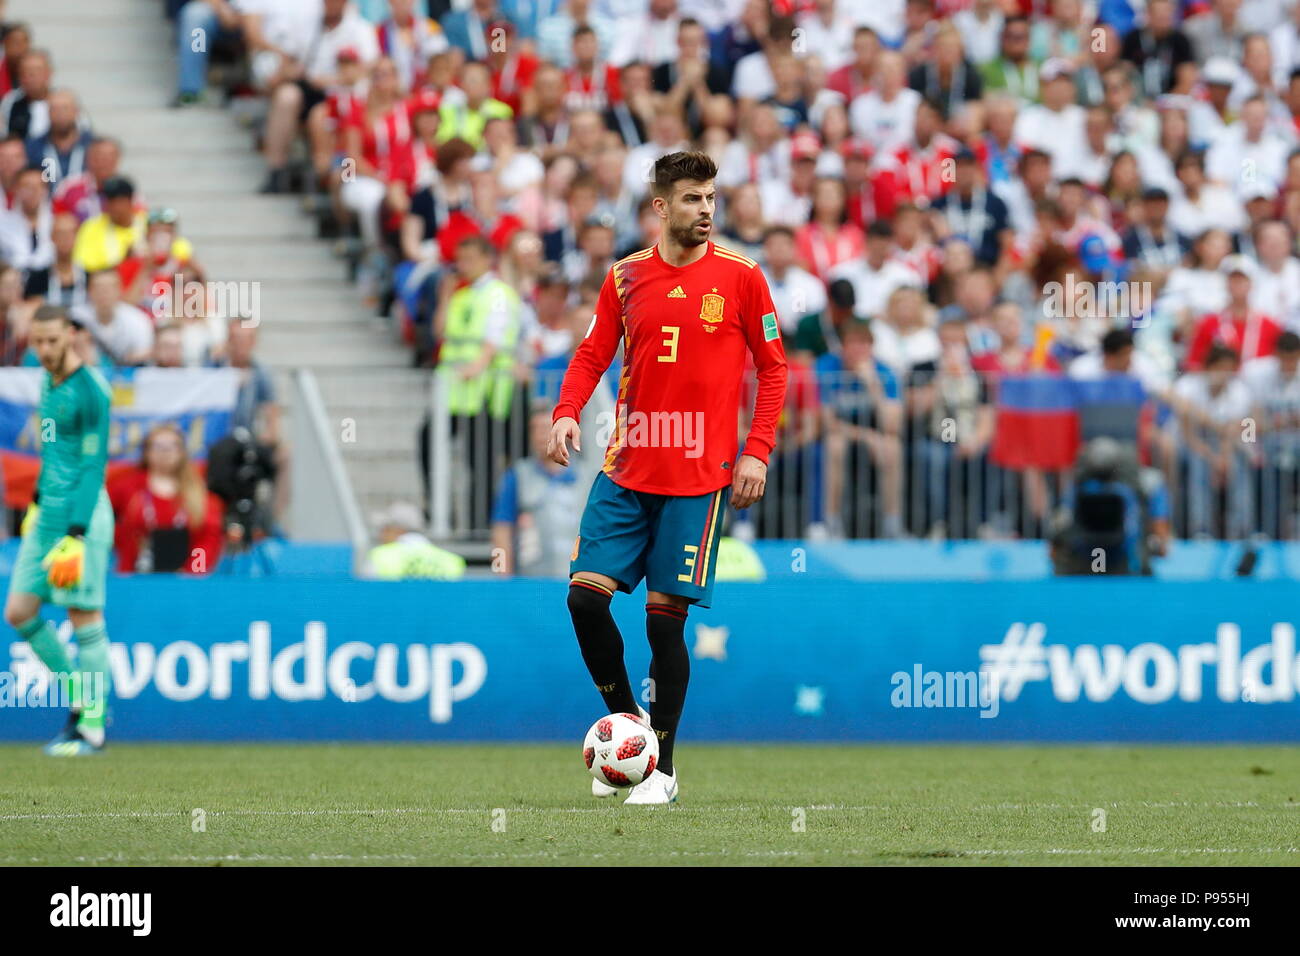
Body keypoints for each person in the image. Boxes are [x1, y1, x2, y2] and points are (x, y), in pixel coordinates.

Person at [546, 150, 787, 804]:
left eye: (711, 198)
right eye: (691, 199)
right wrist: (567, 414)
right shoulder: (625, 277)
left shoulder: (742, 276)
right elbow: (593, 352)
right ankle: (631, 729)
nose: (705, 210)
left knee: (662, 624)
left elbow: (774, 369)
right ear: (660, 207)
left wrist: (756, 450)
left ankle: (663, 769)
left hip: (699, 478)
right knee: (584, 600)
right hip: (627, 469)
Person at [2, 304, 114, 756]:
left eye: (52, 340)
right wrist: (35, 502)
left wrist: (76, 531)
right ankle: (83, 700)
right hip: (47, 515)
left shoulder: (92, 391)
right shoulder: (46, 379)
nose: (44, 350)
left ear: (70, 335)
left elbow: (92, 466)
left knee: (83, 616)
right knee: (19, 612)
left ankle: (92, 726)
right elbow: (53, 450)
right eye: (37, 341)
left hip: (79, 519)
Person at [111, 422, 225, 574]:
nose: (165, 451)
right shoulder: (127, 487)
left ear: (182, 452)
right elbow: (103, 518)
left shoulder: (200, 494)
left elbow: (209, 541)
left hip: (184, 581)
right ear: (146, 452)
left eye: (172, 446)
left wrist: (195, 572)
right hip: (134, 575)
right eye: (158, 446)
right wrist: (122, 542)